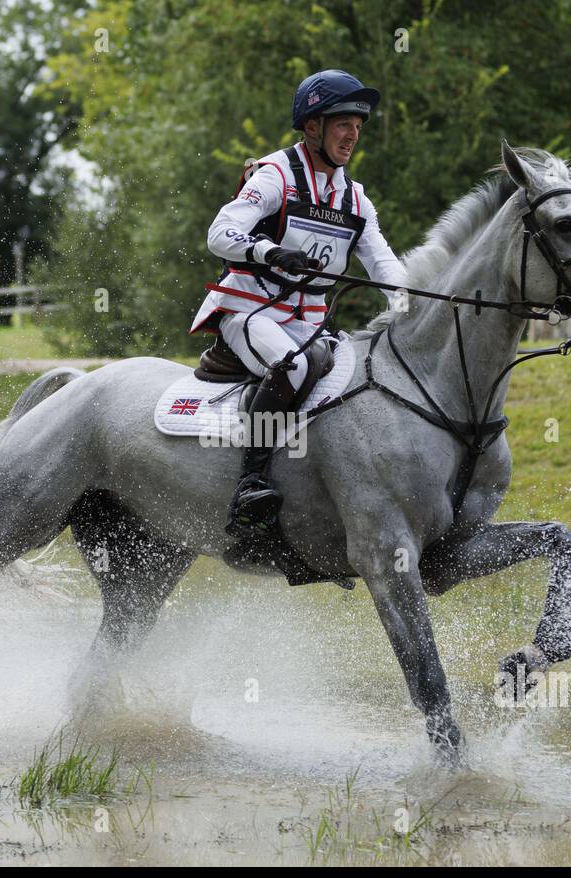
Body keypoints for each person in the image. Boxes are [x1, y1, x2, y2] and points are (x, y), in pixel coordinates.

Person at [191, 69, 406, 537]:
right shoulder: (275, 176)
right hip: (250, 309)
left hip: (310, 321)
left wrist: (411, 303)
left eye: (358, 124)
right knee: (293, 367)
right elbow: (218, 233)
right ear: (312, 127)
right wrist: (268, 250)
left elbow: (383, 262)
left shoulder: (355, 198)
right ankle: (250, 484)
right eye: (342, 123)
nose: (352, 134)